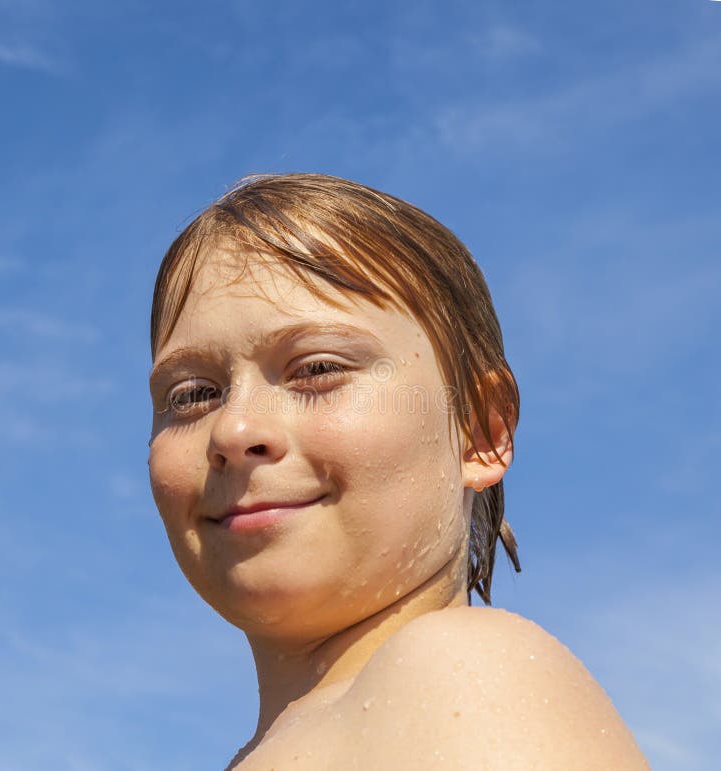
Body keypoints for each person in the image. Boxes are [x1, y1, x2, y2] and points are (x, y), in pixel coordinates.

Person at [148, 173, 649, 769]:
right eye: (193, 394)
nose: (233, 431)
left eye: (317, 369)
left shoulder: (463, 674)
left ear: (481, 432)